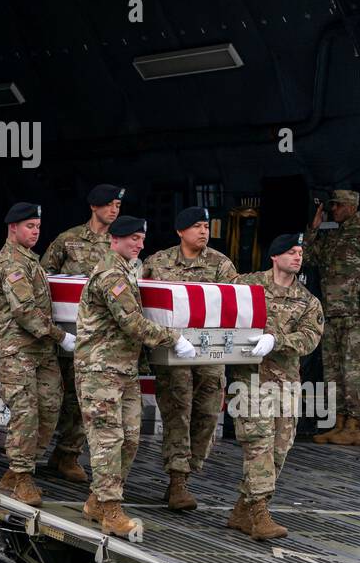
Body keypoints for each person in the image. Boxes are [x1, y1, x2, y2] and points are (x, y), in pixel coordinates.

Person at [75, 215, 194, 538]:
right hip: (100, 370)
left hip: (123, 369)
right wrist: (174, 338)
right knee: (108, 440)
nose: (140, 244)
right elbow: (133, 323)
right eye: (133, 239)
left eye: (142, 238)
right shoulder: (111, 274)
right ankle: (111, 510)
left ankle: (98, 501)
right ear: (115, 240)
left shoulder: (129, 269)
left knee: (130, 437)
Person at [142, 206, 239, 510]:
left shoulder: (220, 264)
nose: (203, 231)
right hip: (172, 348)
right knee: (178, 409)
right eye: (196, 226)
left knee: (209, 412)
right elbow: (138, 296)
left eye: (206, 226)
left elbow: (234, 301)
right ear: (180, 231)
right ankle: (178, 480)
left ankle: (190, 466)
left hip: (209, 348)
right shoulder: (158, 262)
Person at [230, 234, 322, 540]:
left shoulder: (307, 300)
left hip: (286, 385)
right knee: (258, 445)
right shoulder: (247, 286)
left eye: (300, 252)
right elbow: (222, 308)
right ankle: (259, 514)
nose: (297, 257)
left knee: (280, 449)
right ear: (274, 256)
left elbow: (310, 338)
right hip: (252, 381)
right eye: (291, 252)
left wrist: (277, 340)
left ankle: (243, 511)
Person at [0, 202, 76, 506]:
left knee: (50, 408)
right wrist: (62, 336)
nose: (35, 232)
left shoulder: (30, 260)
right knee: (25, 412)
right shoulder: (11, 263)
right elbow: (25, 311)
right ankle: (22, 476)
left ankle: (16, 472)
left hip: (40, 349)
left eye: (38, 227)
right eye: (29, 226)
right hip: (16, 349)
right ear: (13, 228)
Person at [38, 183, 125, 482]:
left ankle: (67, 454)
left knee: (82, 397)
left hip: (98, 336)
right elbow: (43, 277)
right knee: (52, 394)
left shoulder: (120, 243)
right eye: (109, 205)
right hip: (65, 333)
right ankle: (32, 452)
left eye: (118, 205)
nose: (115, 210)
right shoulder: (69, 240)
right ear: (94, 206)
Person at [304, 189, 360, 446]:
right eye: (332, 206)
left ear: (351, 206)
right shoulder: (331, 237)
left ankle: (354, 427)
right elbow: (307, 257)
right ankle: (339, 424)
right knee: (332, 374)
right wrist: (313, 229)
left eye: (337, 206)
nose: (333, 210)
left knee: (353, 374)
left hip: (356, 319)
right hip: (332, 318)